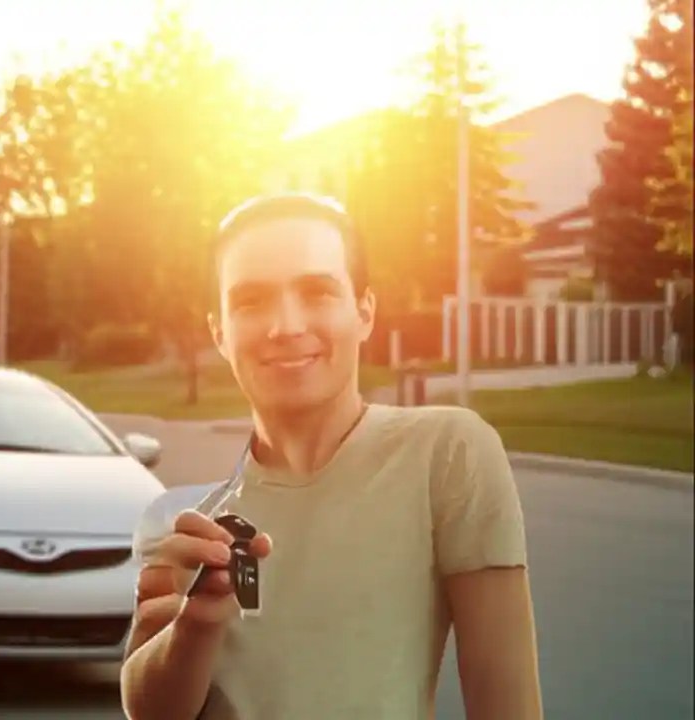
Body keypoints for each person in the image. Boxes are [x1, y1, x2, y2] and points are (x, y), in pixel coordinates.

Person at [120, 194, 542, 719]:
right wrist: (195, 625)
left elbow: (508, 703)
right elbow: (148, 711)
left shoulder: (447, 452)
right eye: (251, 302)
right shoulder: (202, 535)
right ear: (218, 332)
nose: (286, 326)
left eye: (317, 291)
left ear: (364, 311)